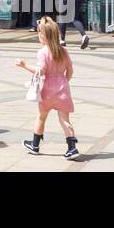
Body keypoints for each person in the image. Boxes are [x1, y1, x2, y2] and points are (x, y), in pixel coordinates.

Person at [17, 16, 80, 159]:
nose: (38, 35)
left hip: (47, 91)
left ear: (43, 36)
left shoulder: (43, 52)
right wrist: (64, 82)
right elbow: (70, 71)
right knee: (65, 120)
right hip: (62, 89)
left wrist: (24, 65)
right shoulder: (64, 51)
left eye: (39, 33)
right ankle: (72, 147)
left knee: (41, 117)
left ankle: (35, 145)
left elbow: (41, 71)